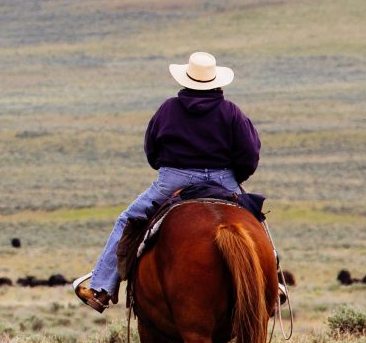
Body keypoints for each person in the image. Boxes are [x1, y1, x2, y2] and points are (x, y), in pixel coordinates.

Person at [73, 51, 260, 312]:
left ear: (186, 80)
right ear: (217, 82)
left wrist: (171, 170)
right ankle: (271, 287)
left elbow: (152, 150)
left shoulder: (168, 109)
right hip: (222, 179)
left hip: (174, 179)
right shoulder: (232, 112)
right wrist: (233, 178)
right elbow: (249, 154)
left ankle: (102, 288)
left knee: (127, 219)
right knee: (256, 222)